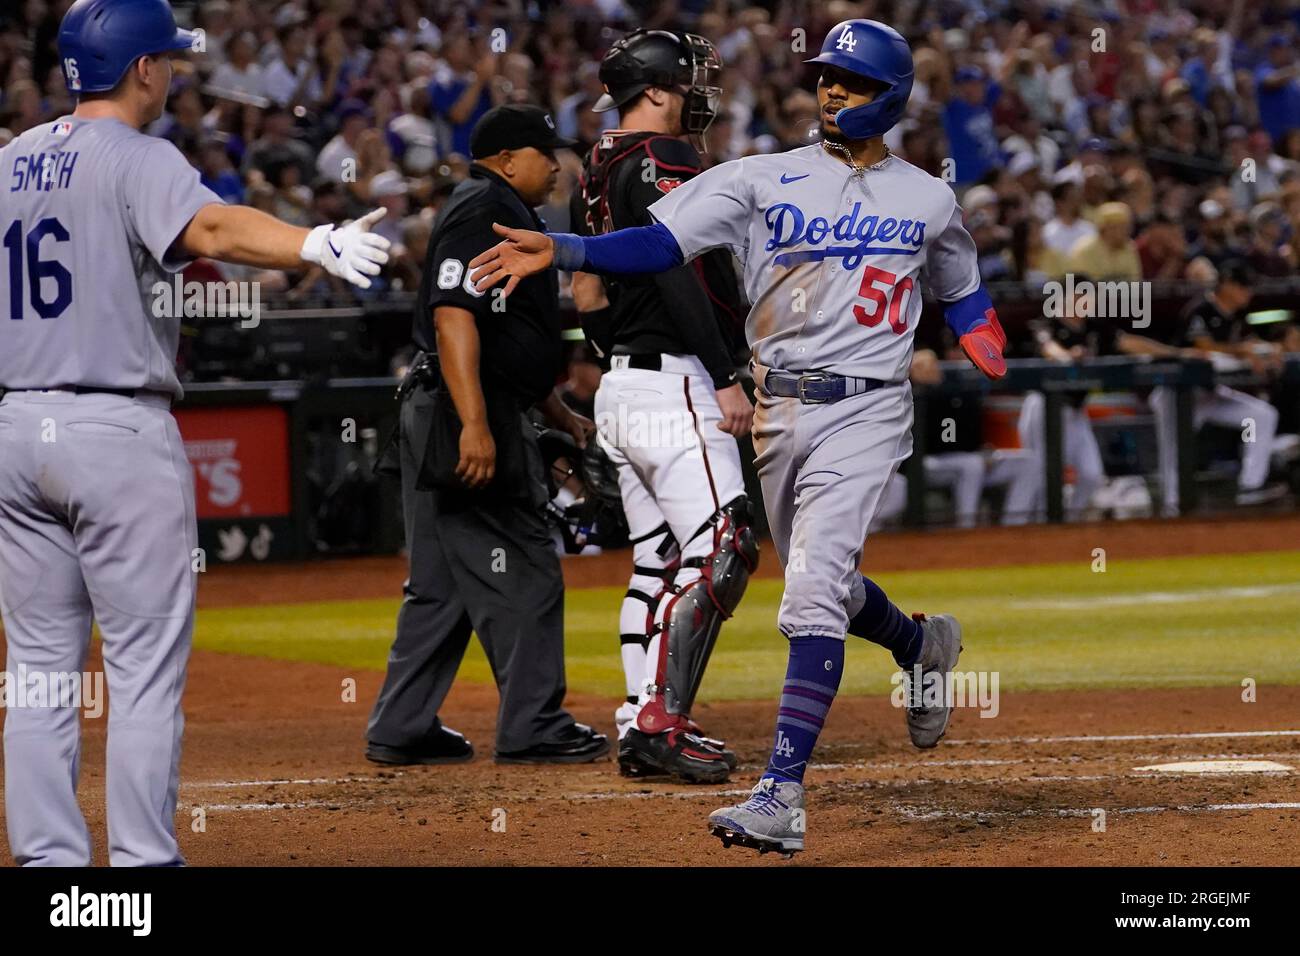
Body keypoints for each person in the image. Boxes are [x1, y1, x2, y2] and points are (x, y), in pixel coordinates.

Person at [468, 19, 1007, 856]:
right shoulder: (761, 176)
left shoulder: (928, 197)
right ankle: (920, 643)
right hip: (780, 408)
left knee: (808, 595)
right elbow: (661, 242)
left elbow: (959, 280)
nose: (832, 91)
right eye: (827, 76)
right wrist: (567, 246)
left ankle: (780, 795)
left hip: (868, 408)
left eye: (853, 81)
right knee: (825, 583)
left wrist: (978, 327)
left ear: (891, 97)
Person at [0, 0, 390, 867]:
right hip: (112, 424)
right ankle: (141, 867)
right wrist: (311, 242)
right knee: (139, 666)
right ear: (143, 68)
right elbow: (208, 226)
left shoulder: (12, 157)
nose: (173, 71)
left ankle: (50, 864)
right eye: (168, 60)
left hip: (18, 421)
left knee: (35, 670)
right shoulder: (139, 155)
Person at [364, 104, 610, 769]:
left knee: (440, 586)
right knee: (527, 566)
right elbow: (454, 317)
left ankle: (403, 725)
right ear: (507, 158)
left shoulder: (503, 210)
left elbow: (504, 339)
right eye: (544, 152)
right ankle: (534, 724)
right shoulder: (484, 208)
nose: (558, 165)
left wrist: (560, 416)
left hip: (450, 404)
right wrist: (475, 423)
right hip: (461, 411)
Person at [569, 28, 756, 784]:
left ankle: (641, 712)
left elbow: (586, 291)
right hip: (675, 382)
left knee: (658, 561)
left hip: (623, 381)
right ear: (654, 91)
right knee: (725, 546)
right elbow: (676, 266)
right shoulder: (661, 159)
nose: (695, 95)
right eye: (683, 83)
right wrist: (722, 372)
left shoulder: (600, 162)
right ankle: (658, 722)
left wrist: (618, 351)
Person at [1120, 260, 1289, 512]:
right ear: (1228, 285)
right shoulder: (1200, 309)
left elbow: (1247, 343)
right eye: (1243, 287)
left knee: (1261, 416)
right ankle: (1171, 509)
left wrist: (1267, 350)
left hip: (1210, 394)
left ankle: (1250, 486)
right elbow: (1203, 347)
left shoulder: (1236, 316)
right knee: (1173, 455)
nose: (1248, 293)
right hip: (1177, 395)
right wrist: (1243, 351)